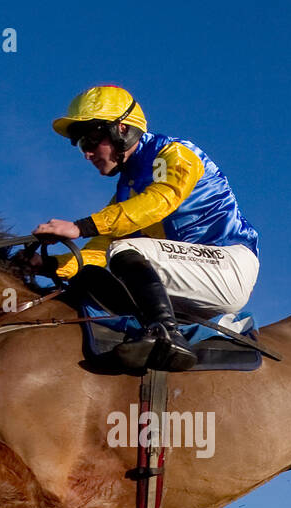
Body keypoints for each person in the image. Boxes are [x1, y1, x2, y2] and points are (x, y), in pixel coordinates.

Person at [28, 85, 260, 371]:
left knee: (124, 248)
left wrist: (80, 227)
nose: (86, 154)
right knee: (93, 276)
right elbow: (99, 252)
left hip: (228, 266)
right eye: (80, 145)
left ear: (121, 130)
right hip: (187, 280)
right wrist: (47, 265)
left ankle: (166, 335)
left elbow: (160, 200)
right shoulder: (125, 191)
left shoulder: (173, 153)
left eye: (90, 140)